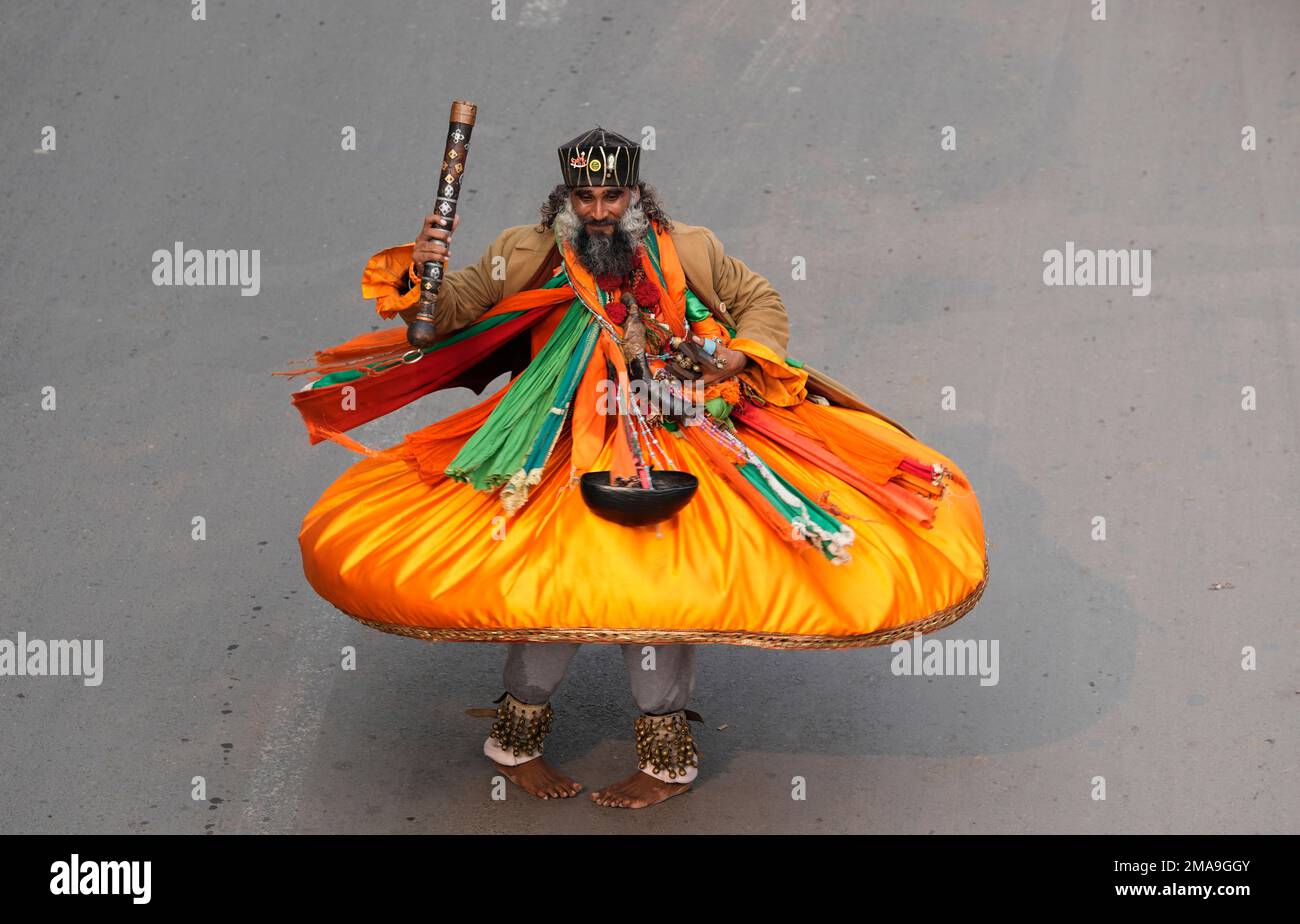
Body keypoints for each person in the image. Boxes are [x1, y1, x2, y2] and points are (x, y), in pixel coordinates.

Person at [290, 126, 989, 810]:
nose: (599, 210)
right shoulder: (525, 250)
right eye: (586, 197)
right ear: (566, 197)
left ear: (636, 194)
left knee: (660, 594)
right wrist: (423, 272)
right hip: (558, 439)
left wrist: (736, 357)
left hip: (677, 432)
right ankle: (515, 744)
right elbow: (447, 315)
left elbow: (759, 303)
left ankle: (666, 760)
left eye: (613, 196)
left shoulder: (689, 246)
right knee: (547, 592)